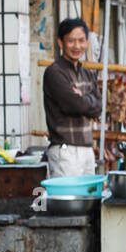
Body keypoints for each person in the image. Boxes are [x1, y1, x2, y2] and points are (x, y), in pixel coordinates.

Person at [43, 18, 101, 178]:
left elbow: (99, 108)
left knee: (88, 201)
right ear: (61, 42)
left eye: (81, 40)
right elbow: (73, 105)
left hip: (87, 149)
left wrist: (82, 98)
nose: (77, 46)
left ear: (87, 42)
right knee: (66, 201)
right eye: (71, 41)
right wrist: (84, 101)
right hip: (65, 150)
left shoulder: (87, 73)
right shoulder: (54, 73)